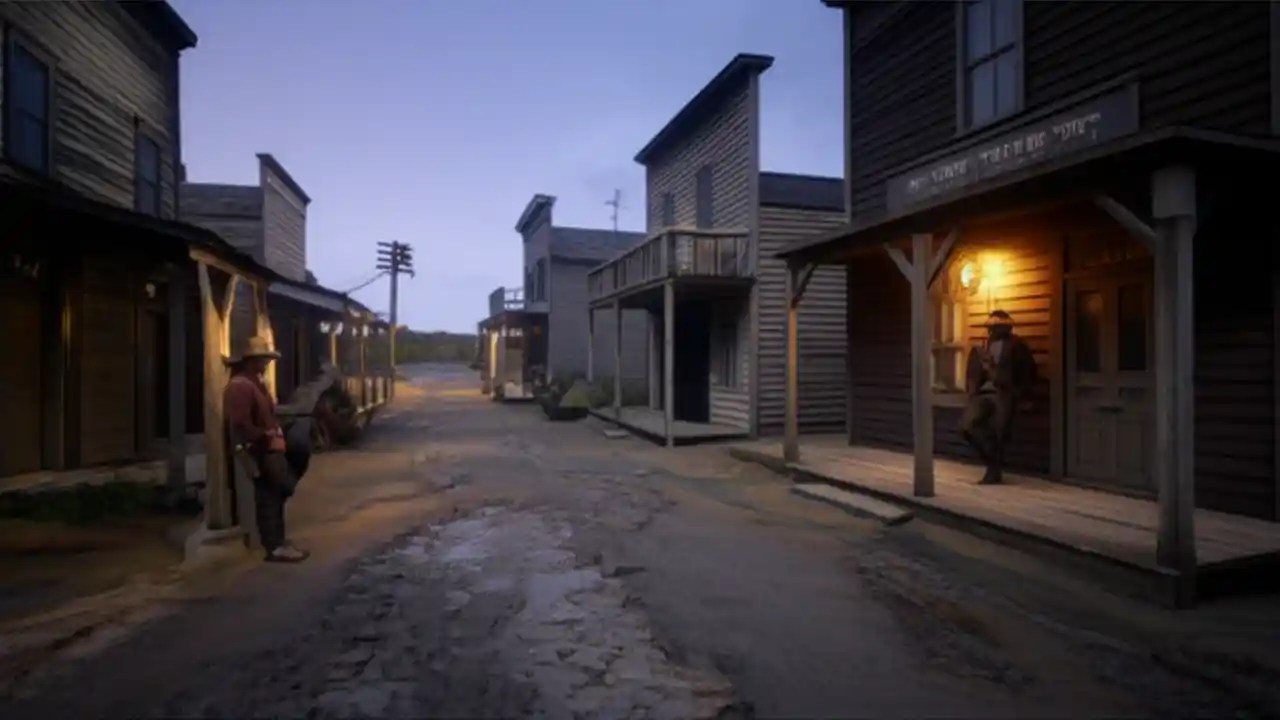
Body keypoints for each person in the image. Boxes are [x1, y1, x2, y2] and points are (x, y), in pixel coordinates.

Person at [225, 335, 310, 563]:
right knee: (271, 494)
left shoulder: (255, 383)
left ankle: (277, 543)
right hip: (258, 449)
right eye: (263, 359)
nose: (266, 363)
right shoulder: (241, 386)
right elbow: (240, 422)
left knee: (276, 493)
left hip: (267, 446)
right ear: (250, 361)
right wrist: (265, 435)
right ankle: (274, 546)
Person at [959, 310, 1037, 485]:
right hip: (982, 394)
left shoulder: (1017, 345)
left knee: (999, 431)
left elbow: (1028, 372)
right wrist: (972, 390)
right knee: (967, 426)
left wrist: (1021, 393)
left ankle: (993, 471)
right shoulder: (981, 348)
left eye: (998, 327)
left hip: (1005, 394)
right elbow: (971, 374)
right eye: (992, 327)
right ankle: (991, 460)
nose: (994, 330)